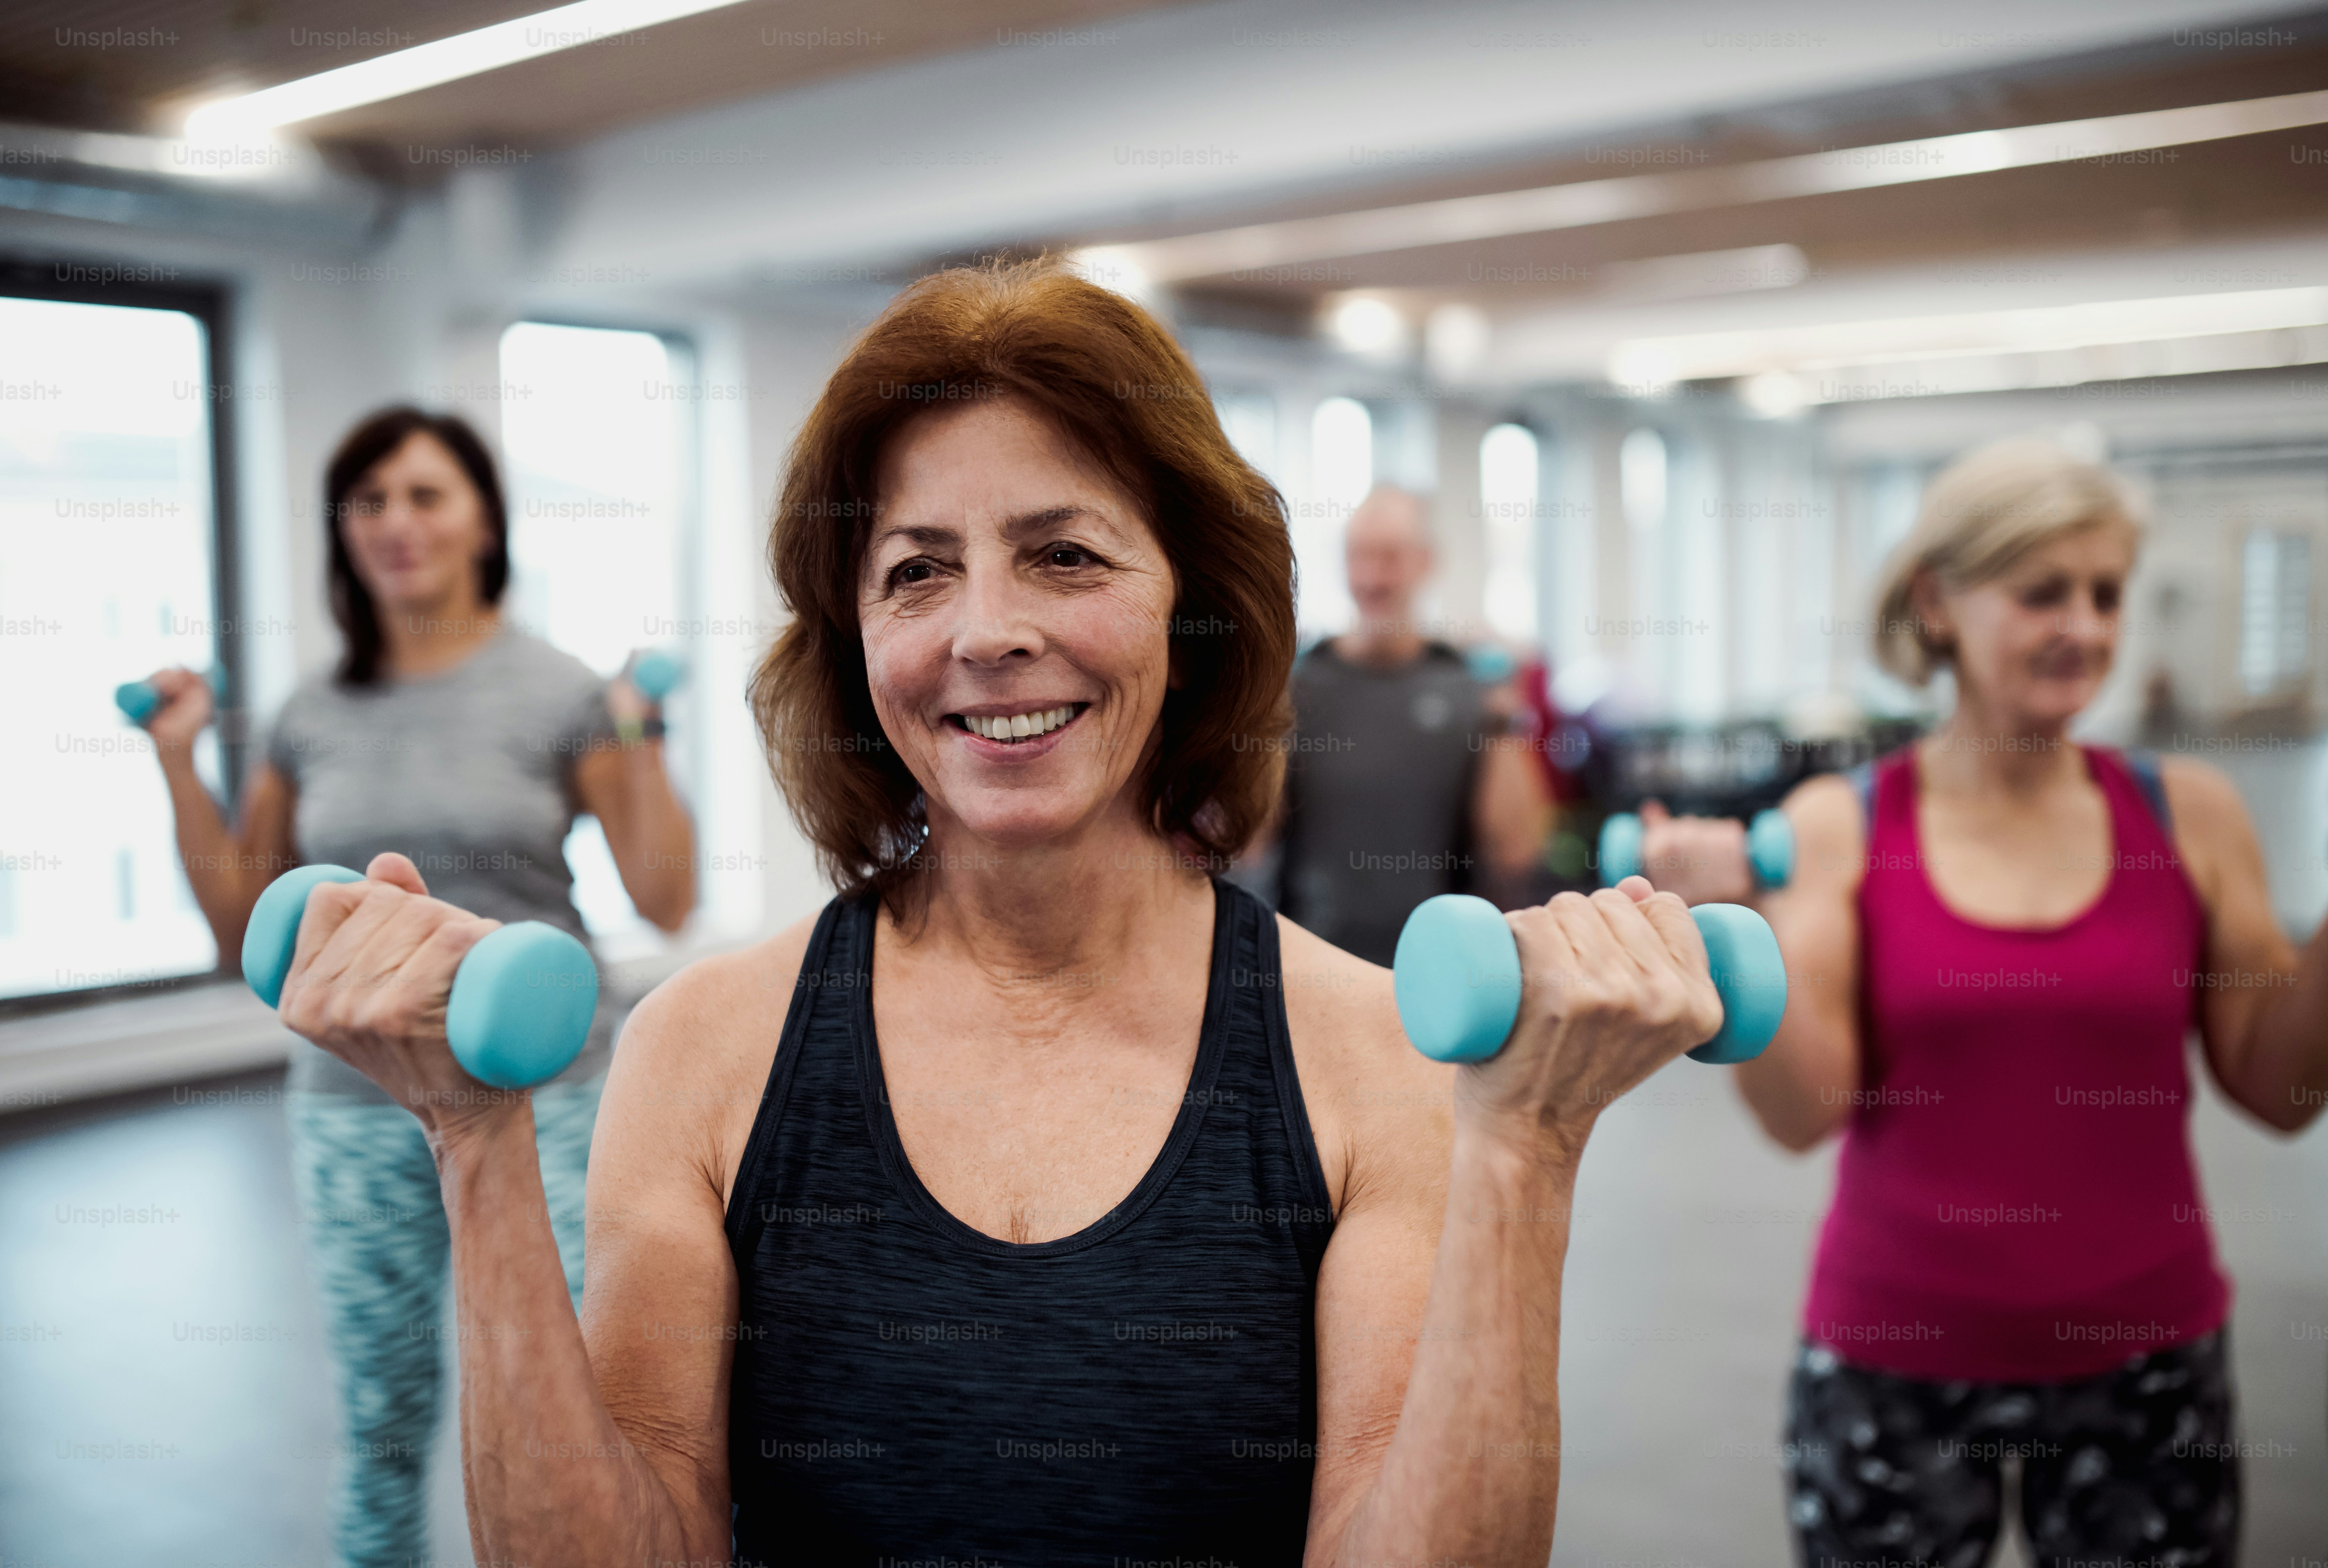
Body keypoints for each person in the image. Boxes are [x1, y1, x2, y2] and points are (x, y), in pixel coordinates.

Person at [258, 260, 1734, 1565]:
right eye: (918, 573)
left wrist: (1526, 1155)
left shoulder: (1365, 1060)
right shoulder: (704, 1050)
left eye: (1066, 553)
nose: (986, 632)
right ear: (857, 649)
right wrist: (474, 1141)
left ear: (1192, 608)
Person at [1637, 437, 2328, 1565]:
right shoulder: (1840, 825)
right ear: (1936, 603)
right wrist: (1727, 934)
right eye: (2041, 591)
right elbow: (1799, 1109)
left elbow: (2281, 1086)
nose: (2086, 629)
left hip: (2144, 1360)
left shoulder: (2186, 814)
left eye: (2104, 594)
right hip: (1892, 1359)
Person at [132, 407, 697, 1568]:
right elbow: (248, 919)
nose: (397, 521)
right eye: (369, 499)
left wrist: (643, 742)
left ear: (483, 516)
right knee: (381, 1425)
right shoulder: (310, 711)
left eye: (425, 494)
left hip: (552, 1097)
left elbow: (665, 895)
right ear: (342, 529)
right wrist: (180, 760)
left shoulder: (560, 691)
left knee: (579, 1397)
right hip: (355, 1100)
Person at [1270, 485, 1552, 962]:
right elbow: (1245, 843)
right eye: (1359, 556)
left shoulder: (1470, 688)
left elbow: (1516, 851)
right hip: (1310, 964)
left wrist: (1504, 717)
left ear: (1426, 562)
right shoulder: (1298, 688)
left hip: (1439, 966)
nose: (1372, 576)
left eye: (1390, 557)